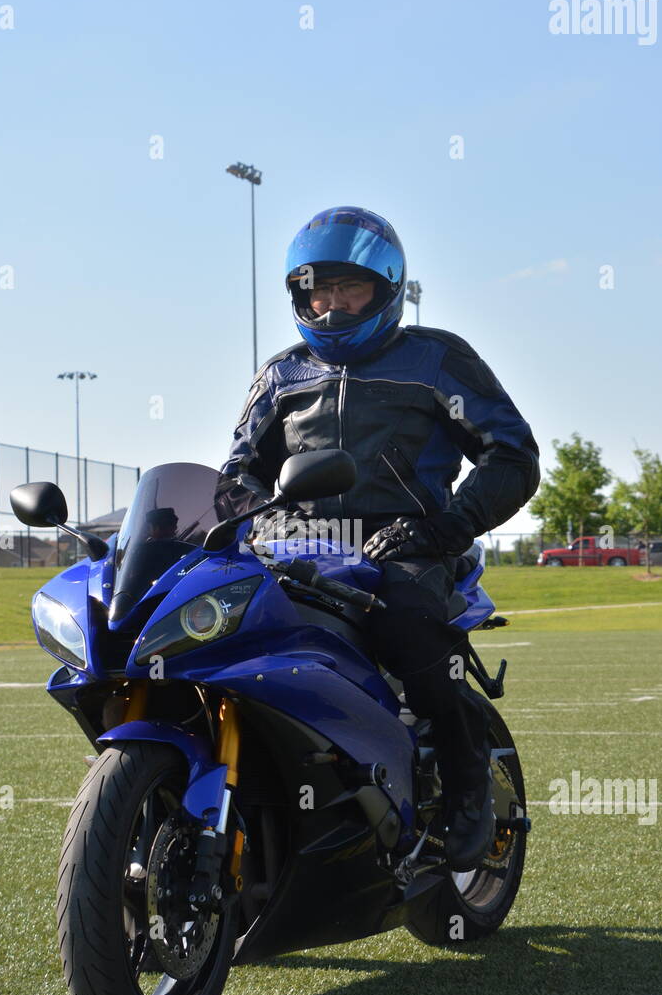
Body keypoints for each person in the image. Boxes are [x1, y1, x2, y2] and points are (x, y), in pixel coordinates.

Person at [215, 206, 540, 869]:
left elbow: (512, 456)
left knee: (410, 625)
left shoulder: (437, 359)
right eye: (317, 290)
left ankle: (468, 792)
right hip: (297, 547)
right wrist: (263, 521)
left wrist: (445, 528)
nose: (331, 306)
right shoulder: (281, 375)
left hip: (407, 546)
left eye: (349, 289)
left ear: (386, 288)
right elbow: (238, 474)